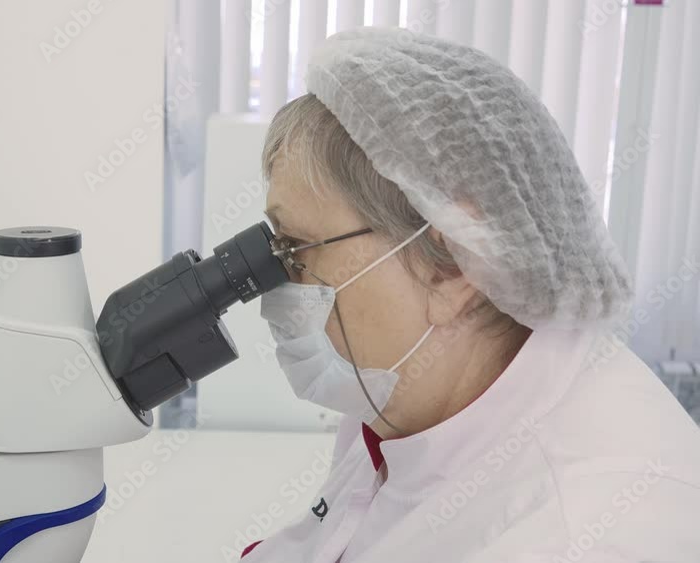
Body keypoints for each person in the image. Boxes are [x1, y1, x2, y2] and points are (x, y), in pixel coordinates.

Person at [246, 26, 700, 563]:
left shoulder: (584, 530)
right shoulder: (407, 390)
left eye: (297, 249)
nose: (275, 288)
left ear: (455, 268)